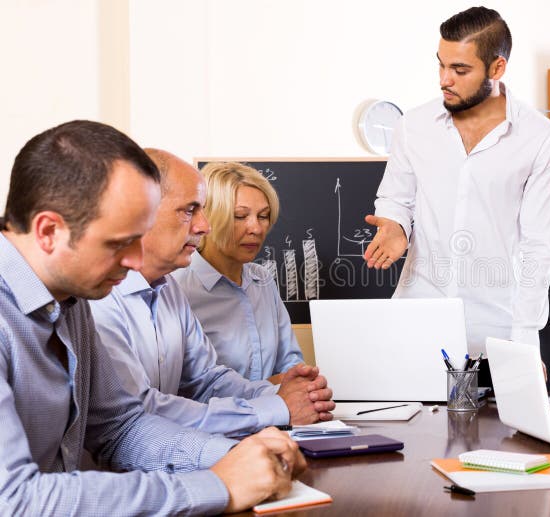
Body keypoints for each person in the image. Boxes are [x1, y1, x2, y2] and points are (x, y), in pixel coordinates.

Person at [0, 120, 305, 514]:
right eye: (120, 243)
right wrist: (217, 485)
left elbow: (121, 428)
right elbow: (14, 500)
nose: (134, 260)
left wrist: (238, 457)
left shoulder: (71, 300)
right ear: (48, 231)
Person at [363, 6, 550, 364]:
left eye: (460, 70)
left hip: (497, 331)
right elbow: (395, 198)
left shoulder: (542, 140)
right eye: (441, 65)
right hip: (416, 319)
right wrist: (396, 225)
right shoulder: (414, 126)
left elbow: (539, 248)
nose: (445, 79)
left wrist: (524, 340)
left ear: (497, 68)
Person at [90, 149, 333, 438]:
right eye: (189, 211)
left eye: (263, 216)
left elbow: (207, 380)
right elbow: (140, 411)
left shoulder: (167, 290)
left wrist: (291, 395)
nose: (204, 226)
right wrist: (277, 407)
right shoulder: (100, 297)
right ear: (141, 212)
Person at [173, 161, 303, 384]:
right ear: (206, 218)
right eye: (240, 216)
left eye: (263, 216)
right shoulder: (177, 288)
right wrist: (270, 390)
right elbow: (188, 388)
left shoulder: (262, 280)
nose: (256, 228)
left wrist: (302, 381)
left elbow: (289, 361)